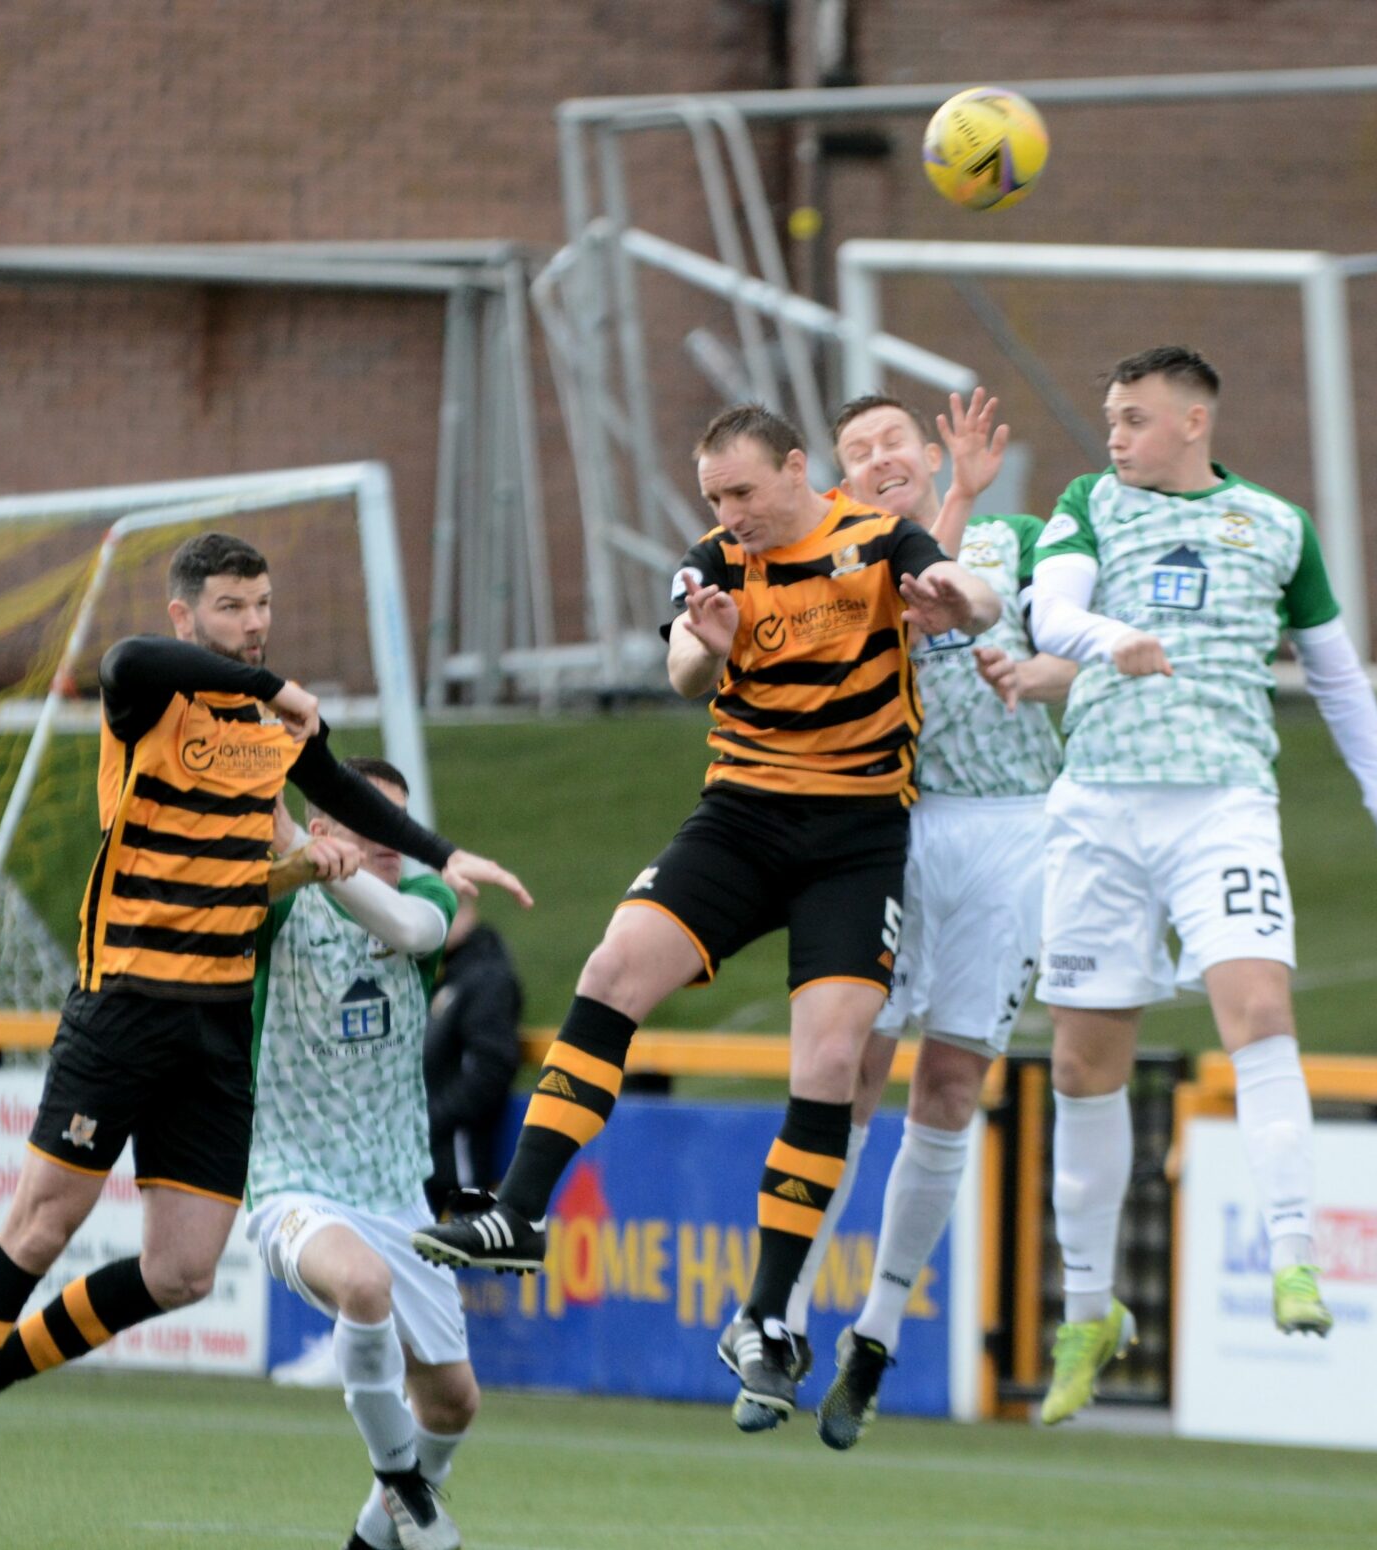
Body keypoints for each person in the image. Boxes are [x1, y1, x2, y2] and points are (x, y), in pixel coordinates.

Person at [0, 533, 526, 1550]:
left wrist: (443, 850)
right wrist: (272, 683)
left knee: (181, 1271)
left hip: (215, 1025)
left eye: (262, 605)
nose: (252, 623)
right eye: (229, 606)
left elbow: (343, 795)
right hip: (126, 999)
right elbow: (127, 655)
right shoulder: (148, 697)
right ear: (185, 614)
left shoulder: (274, 729)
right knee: (38, 1227)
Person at [415, 404, 1000, 1432]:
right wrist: (708, 647)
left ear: (796, 468)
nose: (730, 513)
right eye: (715, 497)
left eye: (743, 492)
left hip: (855, 841)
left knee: (830, 1061)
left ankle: (767, 1318)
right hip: (740, 821)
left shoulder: (876, 539)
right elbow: (684, 666)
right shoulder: (718, 560)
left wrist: (961, 595)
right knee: (612, 969)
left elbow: (973, 597)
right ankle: (518, 1210)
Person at [1024, 345, 1377, 1425]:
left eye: (1133, 417)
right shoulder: (1088, 502)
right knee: (1081, 1064)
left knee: (1258, 1010)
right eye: (1109, 417)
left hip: (1220, 805)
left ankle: (1294, 1253)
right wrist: (1115, 638)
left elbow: (1340, 683)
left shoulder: (1276, 526)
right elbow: (1048, 617)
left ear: (1193, 420)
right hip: (1098, 807)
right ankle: (1088, 1311)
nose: (1114, 435)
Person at [760, 389, 1073, 1450]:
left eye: (894, 437)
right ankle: (782, 1318)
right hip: (893, 828)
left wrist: (1038, 670)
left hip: (1014, 829)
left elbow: (1019, 627)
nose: (881, 455)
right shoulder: (838, 564)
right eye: (859, 450)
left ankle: (877, 1333)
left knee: (948, 1083)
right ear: (838, 483)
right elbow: (892, 612)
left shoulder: (1015, 539)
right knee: (849, 1070)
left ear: (930, 454)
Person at [250, 759, 475, 1550]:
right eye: (370, 823)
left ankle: (372, 1536)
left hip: (396, 1192)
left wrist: (313, 852)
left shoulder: (425, 897)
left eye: (400, 827)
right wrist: (290, 848)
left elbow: (410, 931)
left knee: (453, 1403)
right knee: (362, 1283)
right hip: (292, 1181)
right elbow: (249, 880)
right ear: (323, 828)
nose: (390, 841)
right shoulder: (282, 906)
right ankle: (403, 1481)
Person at [422, 897, 525, 1209]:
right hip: (427, 1161)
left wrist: (428, 1120)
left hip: (457, 1168)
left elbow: (490, 1071)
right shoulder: (444, 975)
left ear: (468, 912)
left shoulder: (486, 978)